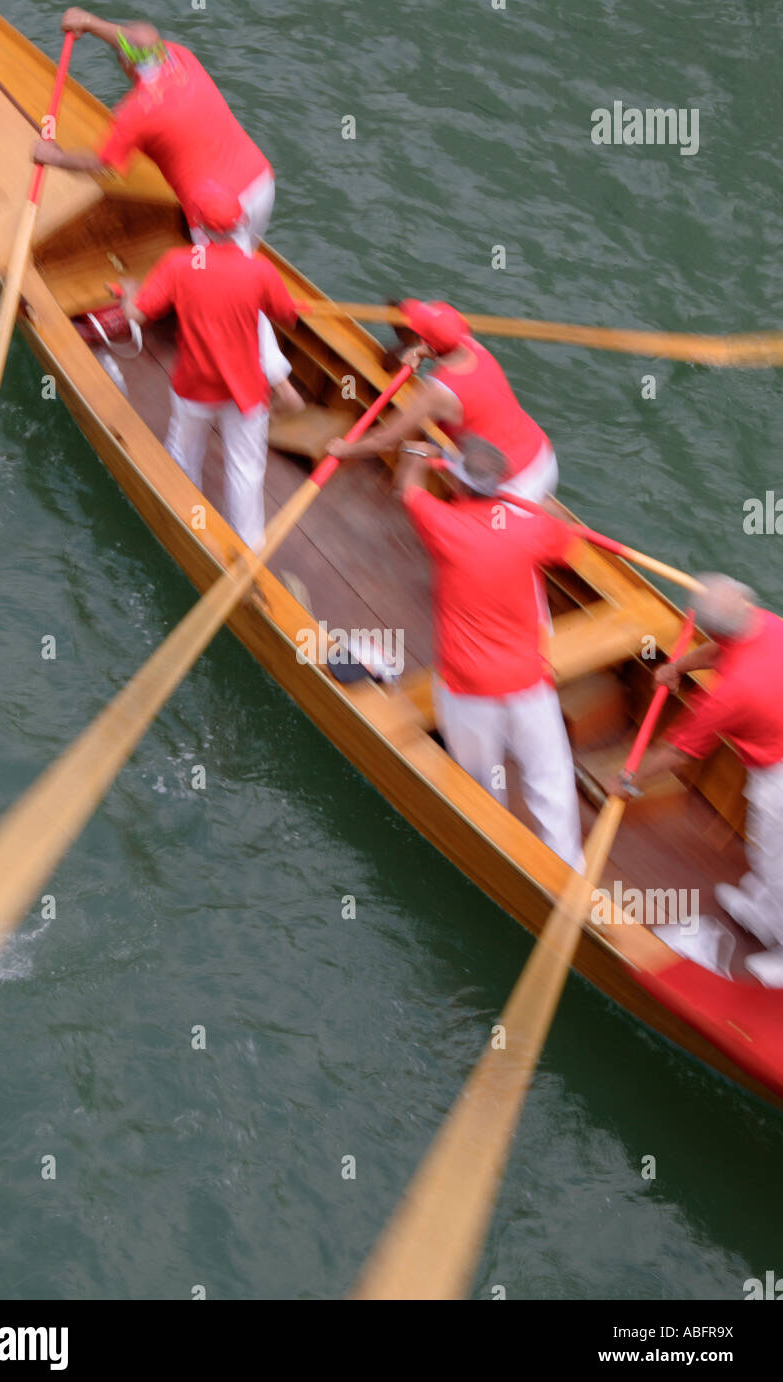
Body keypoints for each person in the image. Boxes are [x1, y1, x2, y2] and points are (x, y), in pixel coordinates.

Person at [33, 8, 301, 410]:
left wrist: (52, 156)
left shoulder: (137, 112)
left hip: (217, 211)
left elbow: (103, 166)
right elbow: (133, 40)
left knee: (234, 285)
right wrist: (89, 22)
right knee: (243, 273)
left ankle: (281, 387)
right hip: (260, 183)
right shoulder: (180, 56)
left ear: (126, 64)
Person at [397, 436, 583, 869]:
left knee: (481, 781)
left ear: (459, 485)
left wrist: (415, 456)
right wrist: (540, 508)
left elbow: (407, 488)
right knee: (551, 780)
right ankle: (567, 869)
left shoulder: (441, 523)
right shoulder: (529, 527)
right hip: (529, 681)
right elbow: (569, 543)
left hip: (469, 687)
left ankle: (490, 856)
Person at [612, 575, 783, 987]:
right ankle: (764, 912)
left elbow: (680, 751)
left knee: (780, 863)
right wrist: (676, 667)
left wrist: (629, 778)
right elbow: (721, 649)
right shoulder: (767, 623)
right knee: (768, 855)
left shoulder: (729, 695)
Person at [120, 182, 298, 550]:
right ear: (241, 224)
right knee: (246, 473)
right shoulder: (260, 271)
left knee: (184, 453)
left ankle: (189, 524)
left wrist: (127, 293)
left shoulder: (178, 264)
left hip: (195, 384)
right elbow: (288, 316)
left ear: (198, 225)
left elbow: (137, 314)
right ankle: (249, 554)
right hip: (246, 391)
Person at [326, 299, 558, 503]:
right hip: (542, 456)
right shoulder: (474, 347)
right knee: (419, 449)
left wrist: (343, 449)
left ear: (425, 342)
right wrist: (419, 352)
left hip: (510, 480)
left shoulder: (437, 393)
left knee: (414, 452)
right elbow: (443, 347)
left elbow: (384, 441)